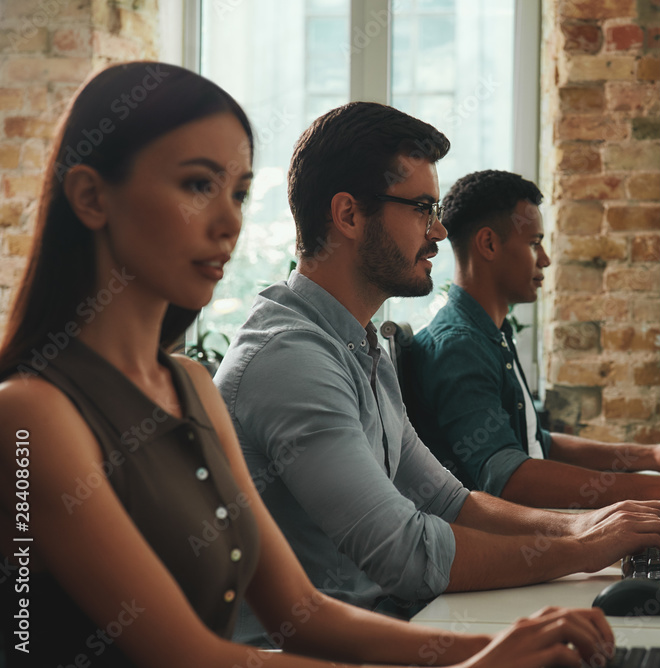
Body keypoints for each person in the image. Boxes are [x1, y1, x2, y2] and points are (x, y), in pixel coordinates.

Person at [0, 62, 619, 668]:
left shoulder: (191, 384)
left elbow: (302, 608)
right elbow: (197, 657)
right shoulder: (31, 414)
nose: (229, 221)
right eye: (197, 185)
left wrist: (493, 648)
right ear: (90, 196)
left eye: (239, 192)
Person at [214, 101, 660, 643]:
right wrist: (582, 550)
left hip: (389, 629)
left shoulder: (359, 340)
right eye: (421, 207)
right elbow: (405, 554)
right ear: (347, 215)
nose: (439, 230)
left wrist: (587, 525)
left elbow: (447, 500)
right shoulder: (289, 358)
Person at [406, 170, 660, 513]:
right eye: (533, 243)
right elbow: (509, 477)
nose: (544, 259)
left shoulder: (488, 331)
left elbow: (537, 444)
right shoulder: (459, 347)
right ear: (489, 244)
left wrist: (652, 457)